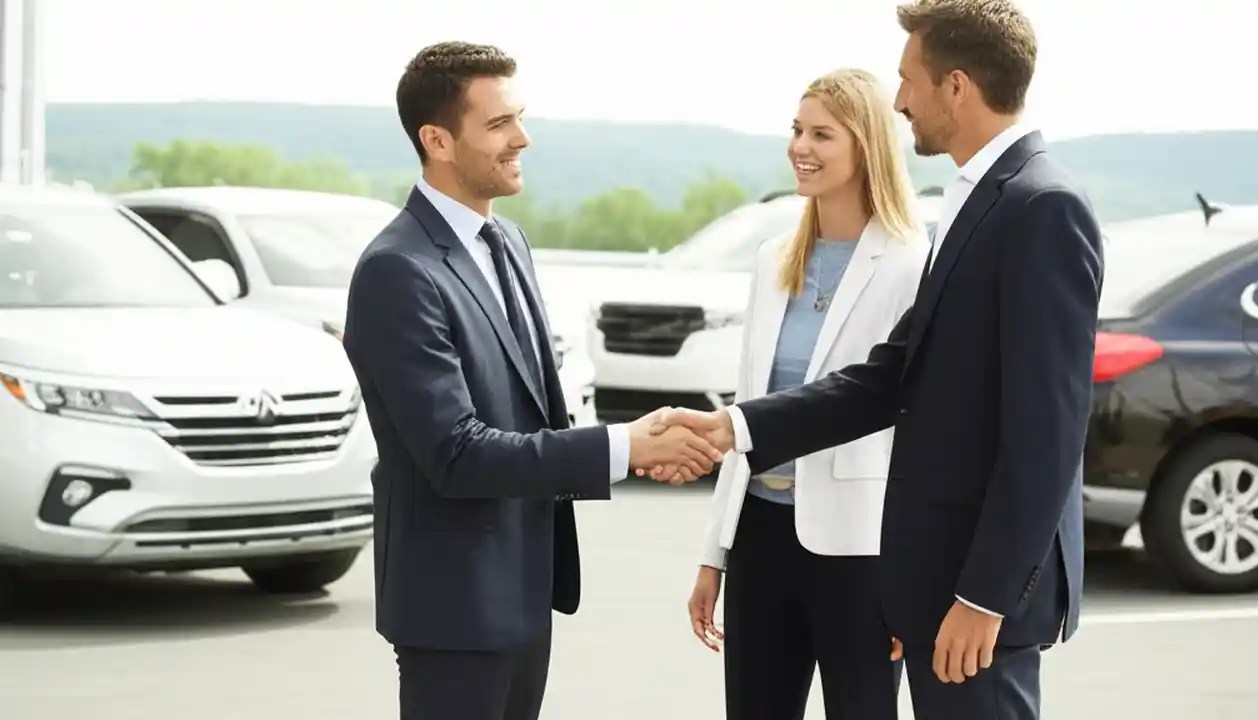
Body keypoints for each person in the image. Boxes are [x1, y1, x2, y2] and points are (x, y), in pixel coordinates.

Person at [648, 1, 1105, 718]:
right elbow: (891, 377)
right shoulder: (979, 201)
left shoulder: (1040, 206)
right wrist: (734, 428)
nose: (900, 100)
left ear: (956, 85)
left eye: (909, 80)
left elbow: (1047, 435)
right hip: (932, 591)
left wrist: (983, 597)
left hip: (973, 602)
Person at [341, 41, 722, 720]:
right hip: (452, 607)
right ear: (437, 140)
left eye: (519, 117)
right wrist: (627, 447)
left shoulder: (507, 243)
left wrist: (648, 446)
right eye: (498, 125)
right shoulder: (396, 272)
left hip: (523, 589)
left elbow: (532, 418)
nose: (523, 138)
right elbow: (456, 454)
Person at [686, 68, 927, 720]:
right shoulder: (773, 259)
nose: (801, 147)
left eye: (822, 134)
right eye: (797, 130)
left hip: (861, 553)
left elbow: (917, 429)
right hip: (760, 535)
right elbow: (749, 406)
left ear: (867, 146)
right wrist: (715, 554)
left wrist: (917, 579)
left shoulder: (912, 263)